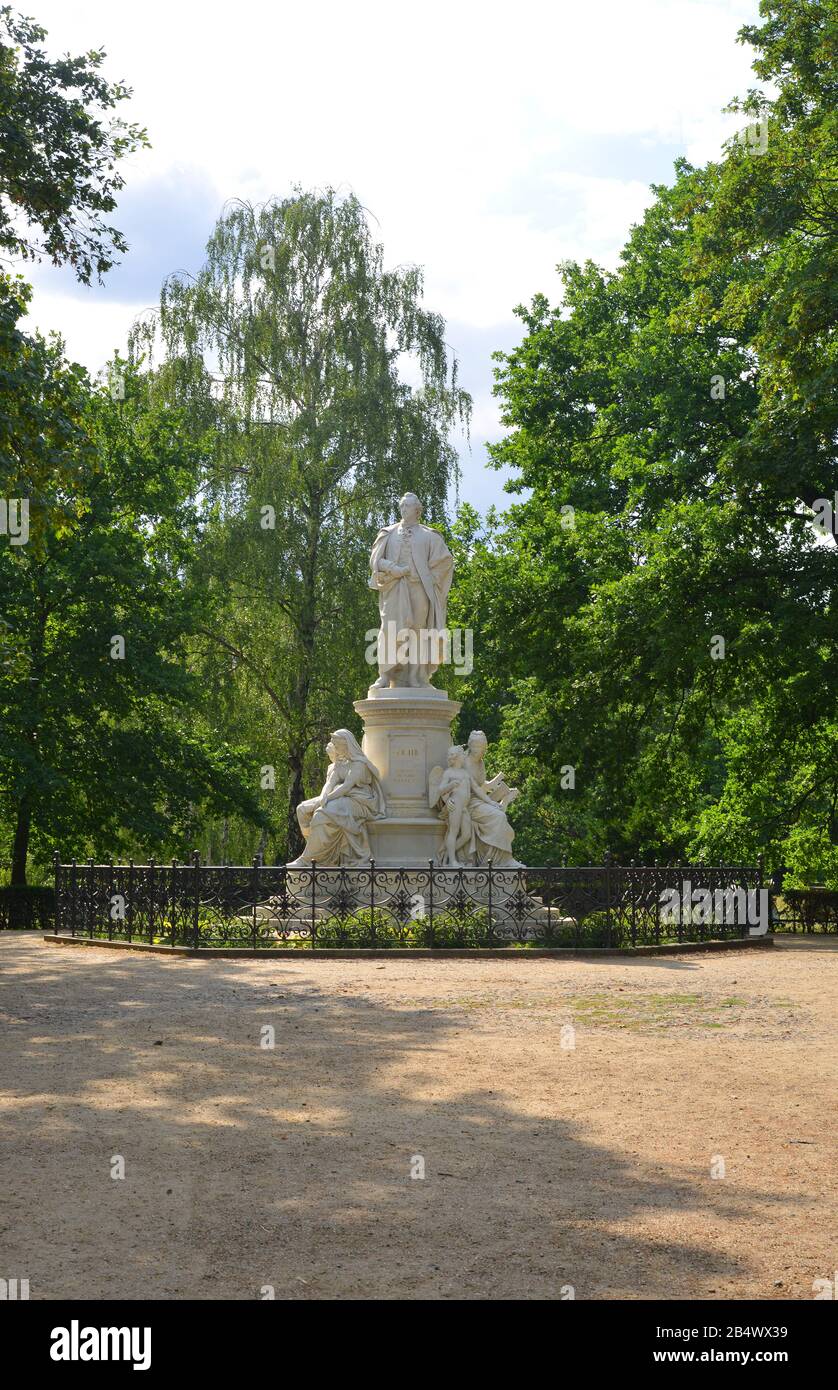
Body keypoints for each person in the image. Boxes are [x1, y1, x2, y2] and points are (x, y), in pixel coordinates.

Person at [368, 491, 454, 689]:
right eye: (401, 506)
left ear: (417, 510)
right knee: (388, 630)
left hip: (419, 589)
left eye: (407, 506)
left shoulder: (429, 536)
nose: (403, 509)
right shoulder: (388, 534)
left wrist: (430, 580)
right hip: (395, 588)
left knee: (418, 632)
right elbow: (375, 560)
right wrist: (393, 569)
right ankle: (385, 676)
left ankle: (417, 677)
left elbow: (445, 561)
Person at [288, 729, 386, 867]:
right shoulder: (341, 763)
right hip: (343, 798)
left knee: (321, 814)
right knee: (302, 809)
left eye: (337, 745)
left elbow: (346, 787)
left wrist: (327, 800)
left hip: (361, 802)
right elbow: (330, 783)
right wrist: (323, 797)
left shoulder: (359, 764)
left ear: (346, 744)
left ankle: (308, 859)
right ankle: (319, 850)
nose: (334, 747)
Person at [464, 730, 522, 867]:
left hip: (479, 800)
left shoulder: (480, 762)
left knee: (499, 813)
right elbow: (474, 789)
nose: (479, 750)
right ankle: (499, 860)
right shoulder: (465, 763)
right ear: (470, 745)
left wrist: (497, 785)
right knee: (498, 817)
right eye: (476, 746)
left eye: (481, 747)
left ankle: (499, 859)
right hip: (469, 803)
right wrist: (490, 800)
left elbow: (482, 785)